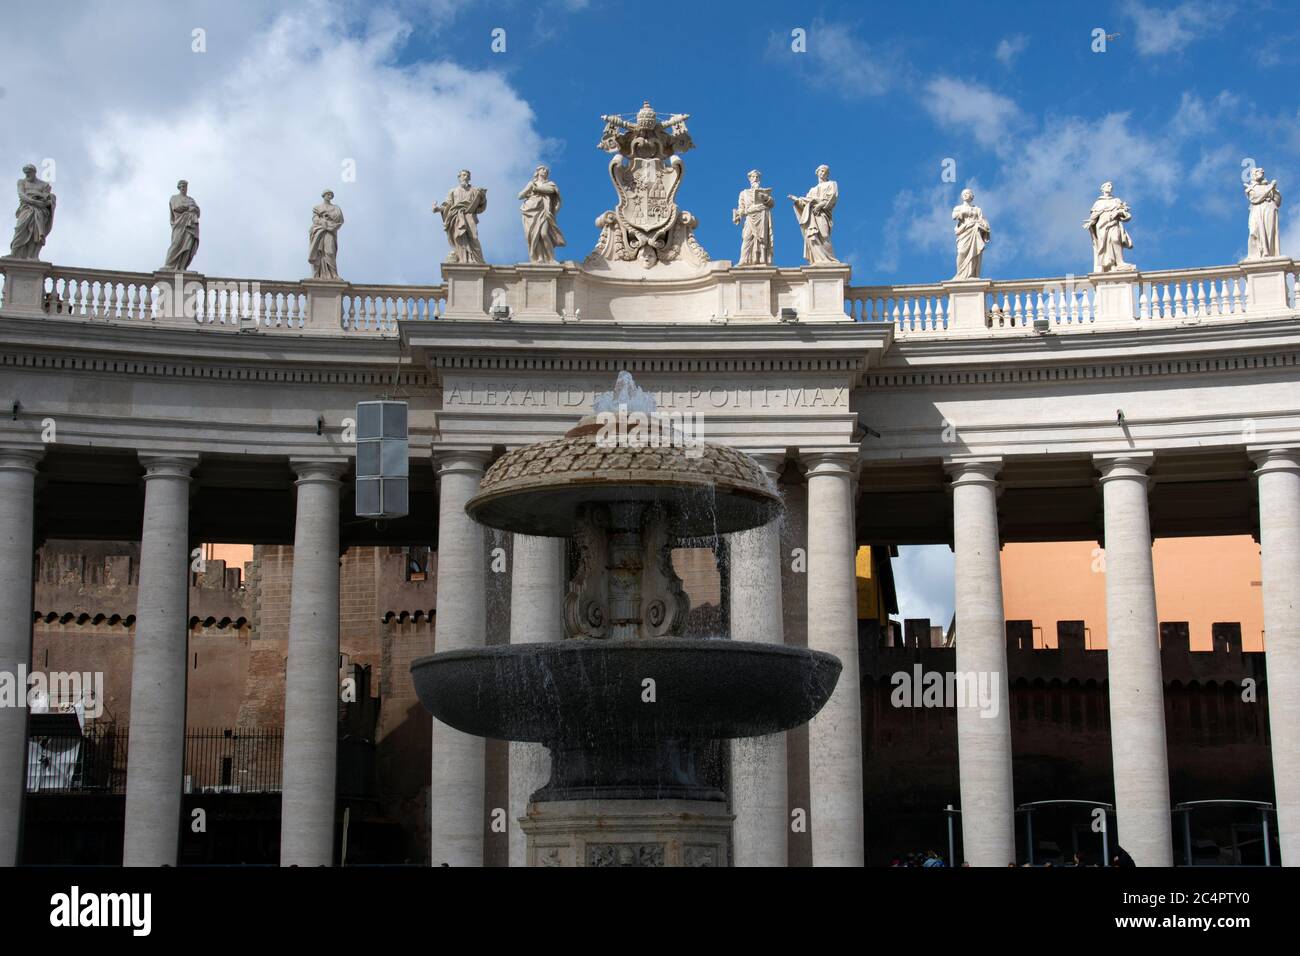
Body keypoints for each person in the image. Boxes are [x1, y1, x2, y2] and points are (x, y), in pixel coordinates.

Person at [433, 169, 487, 263]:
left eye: (466, 175)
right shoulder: (453, 191)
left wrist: (482, 197)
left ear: (469, 178)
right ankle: (464, 259)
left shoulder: (475, 191)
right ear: (459, 177)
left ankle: (477, 260)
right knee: (460, 237)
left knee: (473, 237)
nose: (465, 176)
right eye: (463, 175)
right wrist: (438, 209)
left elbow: (481, 206)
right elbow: (448, 205)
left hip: (470, 215)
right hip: (456, 216)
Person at [788, 164, 838, 263]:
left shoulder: (832, 184)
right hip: (812, 215)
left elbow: (832, 198)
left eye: (825, 171)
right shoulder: (812, 190)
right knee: (812, 236)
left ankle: (831, 260)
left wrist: (820, 205)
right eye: (821, 171)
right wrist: (797, 200)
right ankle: (818, 260)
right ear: (817, 173)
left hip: (823, 213)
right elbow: (805, 204)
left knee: (824, 235)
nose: (823, 173)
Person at [1083, 181, 1134, 273]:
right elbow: (1094, 216)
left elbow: (1125, 214)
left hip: (1114, 223)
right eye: (1108, 185)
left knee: (1115, 240)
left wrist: (1118, 212)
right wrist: (1090, 222)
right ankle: (1107, 265)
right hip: (1102, 226)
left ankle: (1120, 263)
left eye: (1111, 186)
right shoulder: (1098, 203)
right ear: (1102, 188)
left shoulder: (1116, 201)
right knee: (1103, 246)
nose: (1110, 187)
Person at [518, 165, 565, 263]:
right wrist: (529, 191)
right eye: (543, 169)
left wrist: (536, 189)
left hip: (544, 210)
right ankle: (540, 257)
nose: (545, 171)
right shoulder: (532, 183)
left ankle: (551, 258)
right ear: (538, 172)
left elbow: (551, 190)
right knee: (535, 235)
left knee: (543, 233)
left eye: (546, 170)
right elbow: (520, 196)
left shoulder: (550, 184)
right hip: (531, 209)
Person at [10, 164, 56, 259]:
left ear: (34, 172)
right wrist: (34, 201)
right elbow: (21, 194)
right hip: (27, 208)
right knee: (20, 228)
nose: (27, 175)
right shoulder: (21, 182)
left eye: (29, 173)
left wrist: (47, 201)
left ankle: (32, 256)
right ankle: (15, 254)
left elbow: (47, 199)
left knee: (36, 232)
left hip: (40, 210)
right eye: (25, 173)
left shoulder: (44, 185)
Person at [733, 169, 774, 265]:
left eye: (757, 177)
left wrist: (765, 198)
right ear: (749, 179)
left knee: (762, 240)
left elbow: (772, 203)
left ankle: (761, 259)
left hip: (762, 216)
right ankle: (744, 260)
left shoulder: (763, 192)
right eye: (753, 177)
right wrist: (738, 215)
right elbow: (741, 208)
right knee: (747, 237)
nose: (755, 178)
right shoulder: (744, 193)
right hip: (750, 217)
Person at [952, 187, 991, 279]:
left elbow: (982, 220)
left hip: (974, 231)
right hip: (964, 231)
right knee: (961, 252)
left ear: (972, 196)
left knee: (974, 252)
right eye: (963, 194)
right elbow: (954, 216)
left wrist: (982, 225)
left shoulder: (977, 209)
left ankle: (971, 274)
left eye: (967, 193)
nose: (965, 195)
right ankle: (960, 274)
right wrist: (963, 212)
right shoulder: (958, 208)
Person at [162, 180, 200, 272]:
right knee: (176, 243)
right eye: (182, 186)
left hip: (191, 224)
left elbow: (197, 211)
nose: (183, 188)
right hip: (179, 224)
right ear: (179, 188)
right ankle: (169, 265)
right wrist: (188, 208)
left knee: (188, 245)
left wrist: (192, 209)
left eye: (185, 186)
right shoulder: (174, 198)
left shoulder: (191, 199)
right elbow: (176, 208)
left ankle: (182, 267)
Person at [1244, 167, 1281, 260]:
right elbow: (1255, 198)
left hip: (1269, 208)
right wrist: (1270, 188)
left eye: (1261, 171)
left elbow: (1278, 201)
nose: (1261, 172)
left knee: (1270, 231)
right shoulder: (1250, 188)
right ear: (1253, 175)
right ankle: (1259, 253)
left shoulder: (1269, 186)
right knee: (1255, 231)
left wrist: (1273, 190)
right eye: (1258, 171)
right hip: (1257, 210)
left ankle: (1268, 252)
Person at [308, 190, 344, 279]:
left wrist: (329, 222)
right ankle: (317, 275)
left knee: (330, 252)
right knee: (318, 253)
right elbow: (315, 219)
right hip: (319, 230)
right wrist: (322, 221)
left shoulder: (336, 208)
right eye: (328, 194)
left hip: (330, 231)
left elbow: (340, 221)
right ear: (323, 196)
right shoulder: (317, 207)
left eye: (331, 195)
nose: (330, 196)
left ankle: (334, 275)